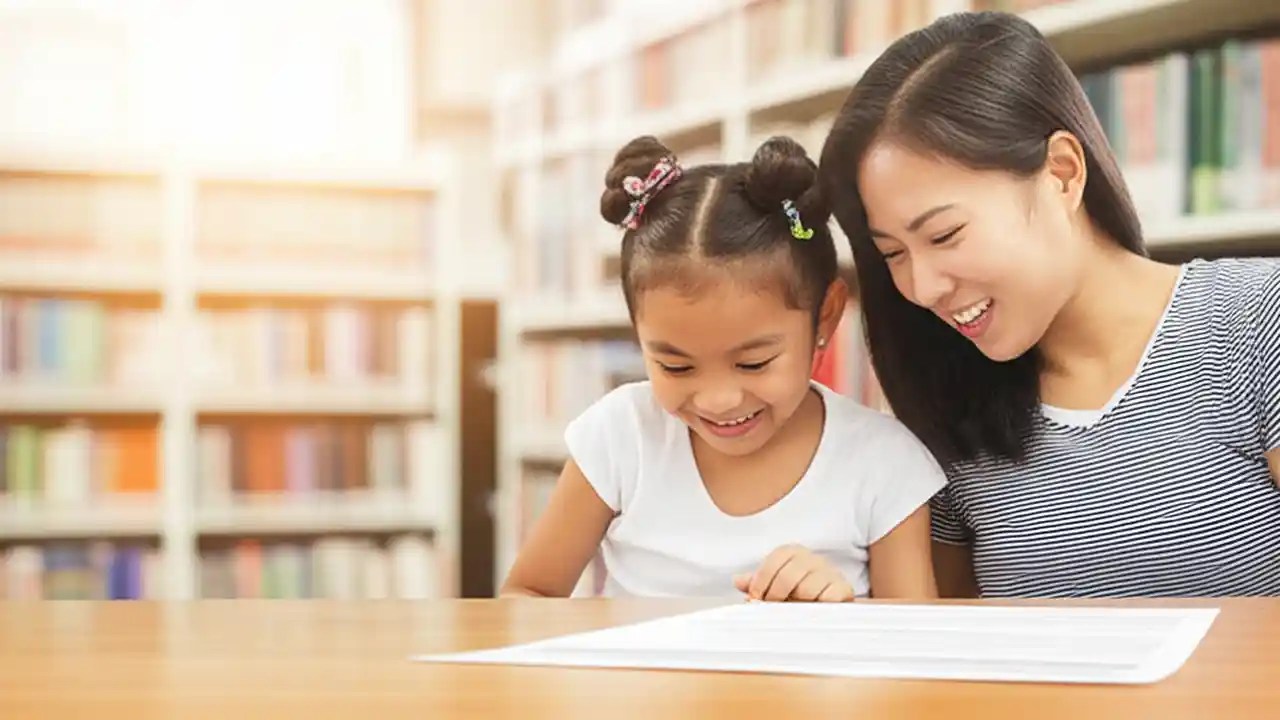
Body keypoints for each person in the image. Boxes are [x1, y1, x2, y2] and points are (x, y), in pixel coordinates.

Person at [817, 11, 1280, 598]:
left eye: (944, 236)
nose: (922, 287)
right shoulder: (947, 405)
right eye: (892, 253)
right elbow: (942, 654)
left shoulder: (1258, 318)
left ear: (1062, 173)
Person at [500, 135, 946, 601]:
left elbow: (912, 648)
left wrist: (841, 619)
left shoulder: (884, 463)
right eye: (675, 366)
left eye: (753, 363)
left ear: (827, 316)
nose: (718, 399)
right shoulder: (621, 436)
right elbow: (525, 595)